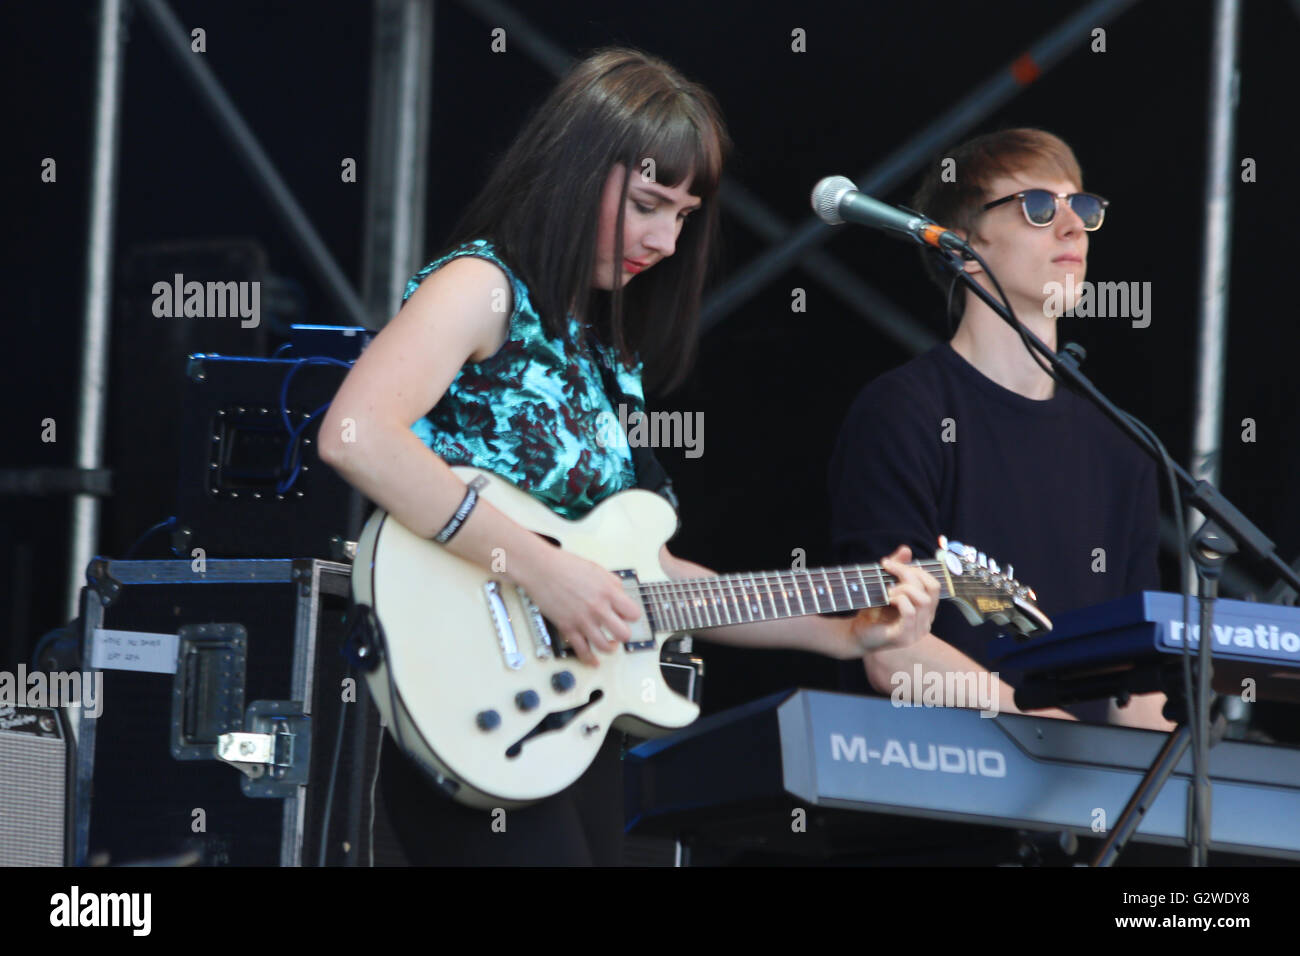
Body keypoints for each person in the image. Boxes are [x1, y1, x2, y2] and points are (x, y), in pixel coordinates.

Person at [320, 48, 940, 866]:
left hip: (566, 716)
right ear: (575, 169)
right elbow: (355, 435)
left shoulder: (603, 350)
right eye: (649, 202)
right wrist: (544, 572)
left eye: (683, 215)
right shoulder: (481, 287)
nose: (665, 239)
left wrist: (842, 634)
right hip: (459, 696)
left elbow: (649, 583)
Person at [828, 128, 1174, 730]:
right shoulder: (903, 411)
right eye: (1039, 207)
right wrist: (1052, 737)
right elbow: (892, 650)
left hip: (1088, 813)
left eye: (1083, 208)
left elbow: (1136, 689)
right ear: (960, 243)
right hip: (942, 794)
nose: (1073, 229)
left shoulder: (1125, 448)